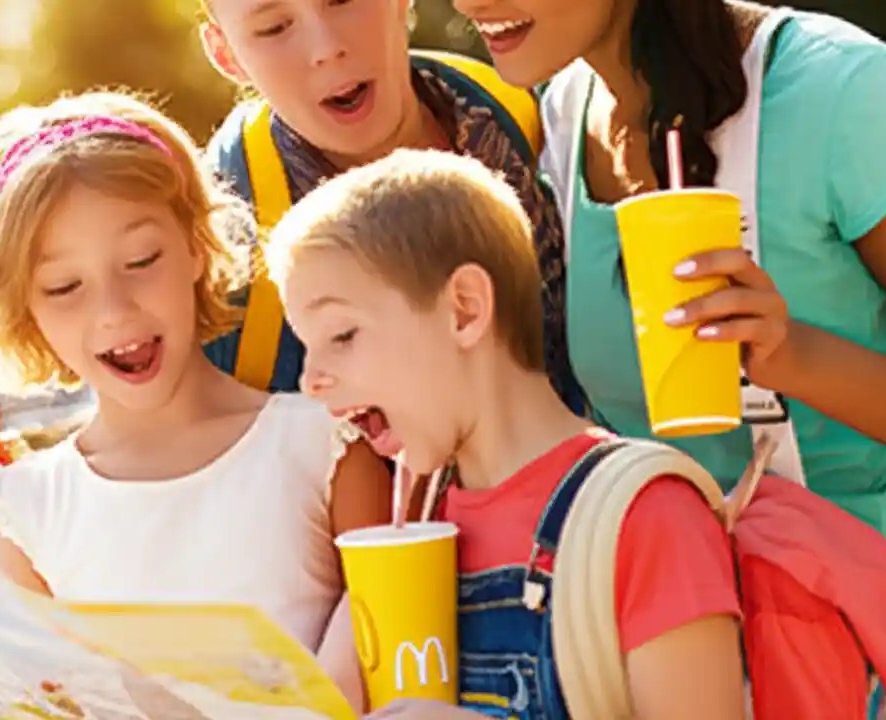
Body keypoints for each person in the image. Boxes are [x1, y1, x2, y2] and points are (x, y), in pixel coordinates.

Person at [0, 91, 391, 713]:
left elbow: (396, 660)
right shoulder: (25, 512)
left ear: (197, 245)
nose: (114, 311)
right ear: (25, 311)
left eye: (141, 259)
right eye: (64, 287)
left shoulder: (322, 445)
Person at [266, 148, 745, 720]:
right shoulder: (415, 523)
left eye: (342, 334)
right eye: (306, 345)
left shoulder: (645, 513)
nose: (310, 380)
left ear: (464, 310)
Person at [449, 0, 886, 562]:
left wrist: (794, 356)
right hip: (689, 625)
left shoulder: (841, 91)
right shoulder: (561, 118)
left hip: (877, 621)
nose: (468, 3)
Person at [195, 0, 577, 411]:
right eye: (274, 28)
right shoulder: (223, 267)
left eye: (342, 1)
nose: (326, 48)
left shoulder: (517, 112)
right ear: (225, 54)